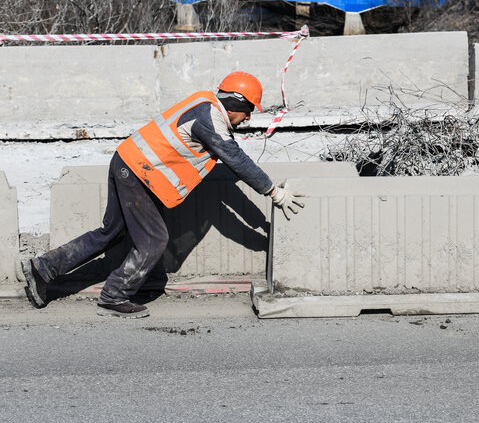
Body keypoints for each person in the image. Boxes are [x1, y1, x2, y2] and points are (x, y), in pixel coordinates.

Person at [20, 71, 303, 319]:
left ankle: (43, 268)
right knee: (154, 240)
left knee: (111, 232)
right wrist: (273, 192)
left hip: (128, 162)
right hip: (138, 172)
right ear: (236, 103)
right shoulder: (210, 120)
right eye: (249, 109)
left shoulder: (204, 102)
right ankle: (114, 295)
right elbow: (237, 160)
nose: (249, 117)